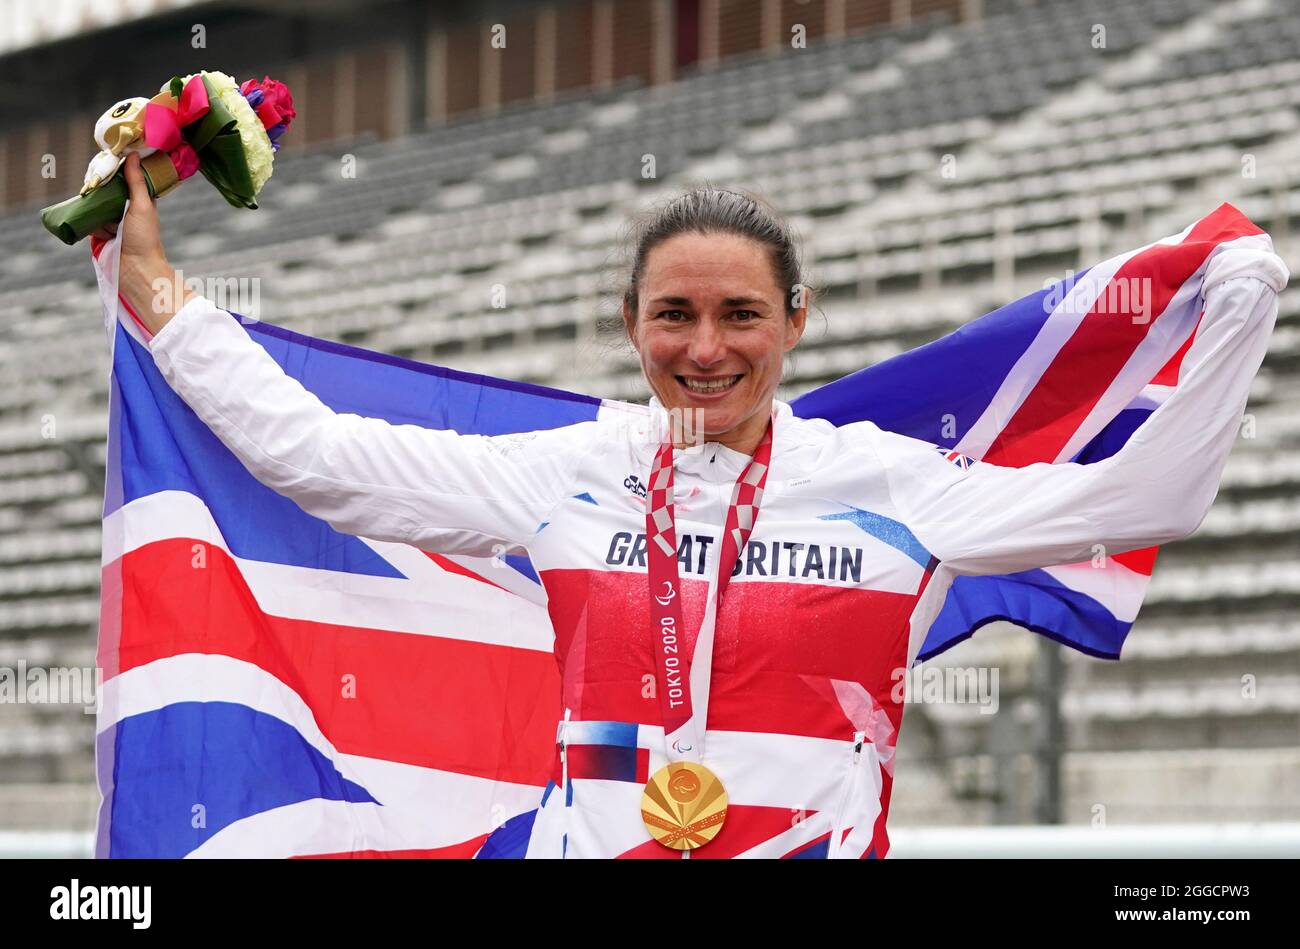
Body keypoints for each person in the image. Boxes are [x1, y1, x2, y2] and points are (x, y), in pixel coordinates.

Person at [105, 151, 1287, 858]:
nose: (706, 347)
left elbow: (1155, 495)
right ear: (631, 326)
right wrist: (148, 283)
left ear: (795, 323)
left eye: (740, 315)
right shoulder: (566, 468)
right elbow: (310, 452)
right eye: (674, 314)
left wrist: (1237, 301)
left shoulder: (886, 481)